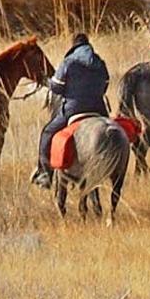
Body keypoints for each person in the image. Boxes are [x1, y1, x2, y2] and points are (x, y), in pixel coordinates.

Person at [32, 33, 110, 188]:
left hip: (73, 110)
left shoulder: (69, 62)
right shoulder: (100, 63)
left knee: (47, 132)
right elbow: (105, 84)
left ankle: (45, 174)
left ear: (74, 46)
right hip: (98, 109)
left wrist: (47, 81)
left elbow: (56, 87)